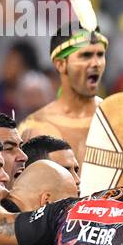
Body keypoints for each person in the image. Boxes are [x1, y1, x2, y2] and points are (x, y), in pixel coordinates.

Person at [18, 10, 107, 162]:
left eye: (100, 55)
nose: (96, 63)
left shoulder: (117, 119)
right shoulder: (34, 127)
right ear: (60, 64)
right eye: (85, 55)